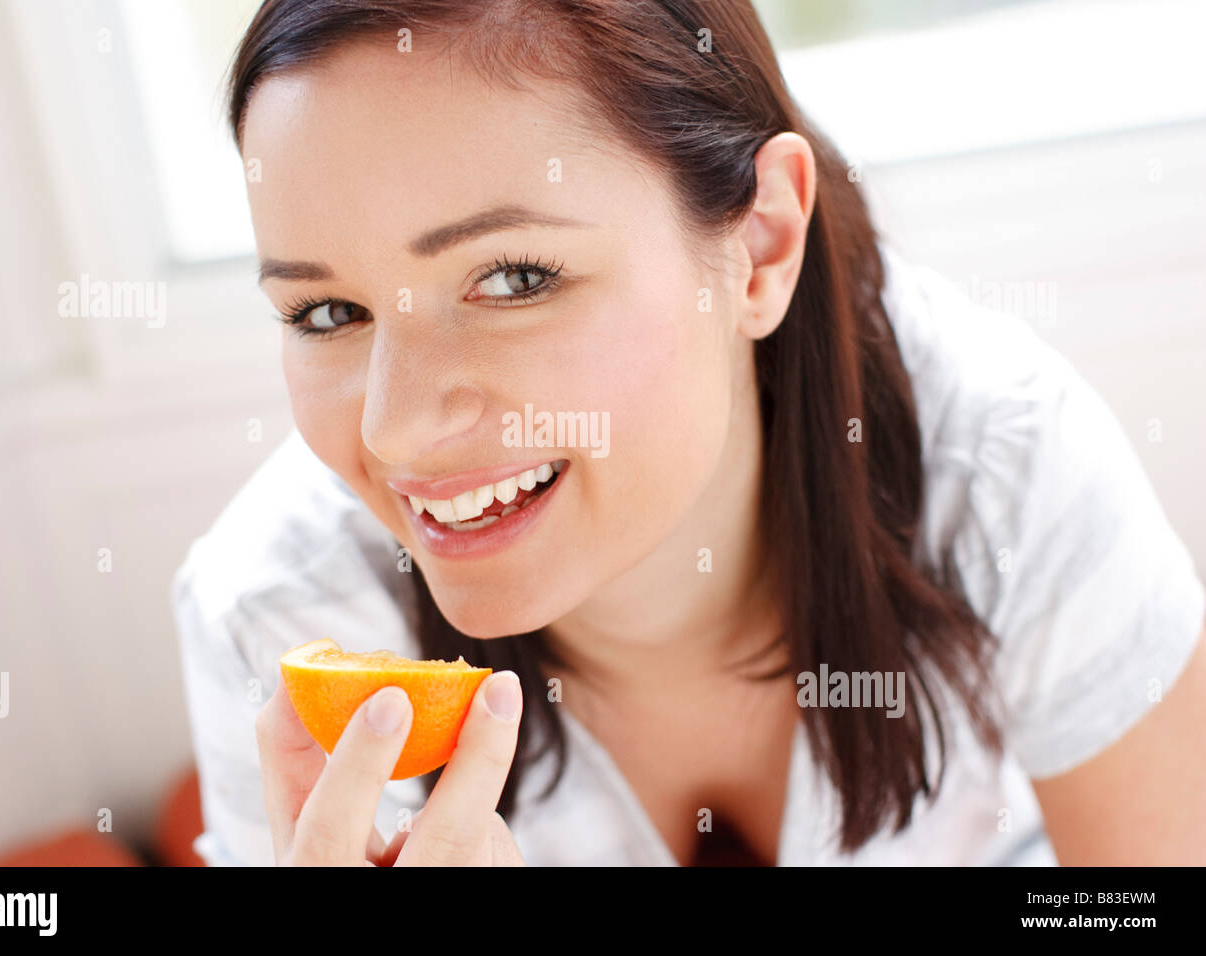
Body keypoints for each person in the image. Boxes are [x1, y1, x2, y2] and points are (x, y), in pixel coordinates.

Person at [172, 0, 1206, 866]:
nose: (393, 429)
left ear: (759, 246)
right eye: (326, 314)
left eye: (514, 278)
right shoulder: (276, 615)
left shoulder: (1009, 472)